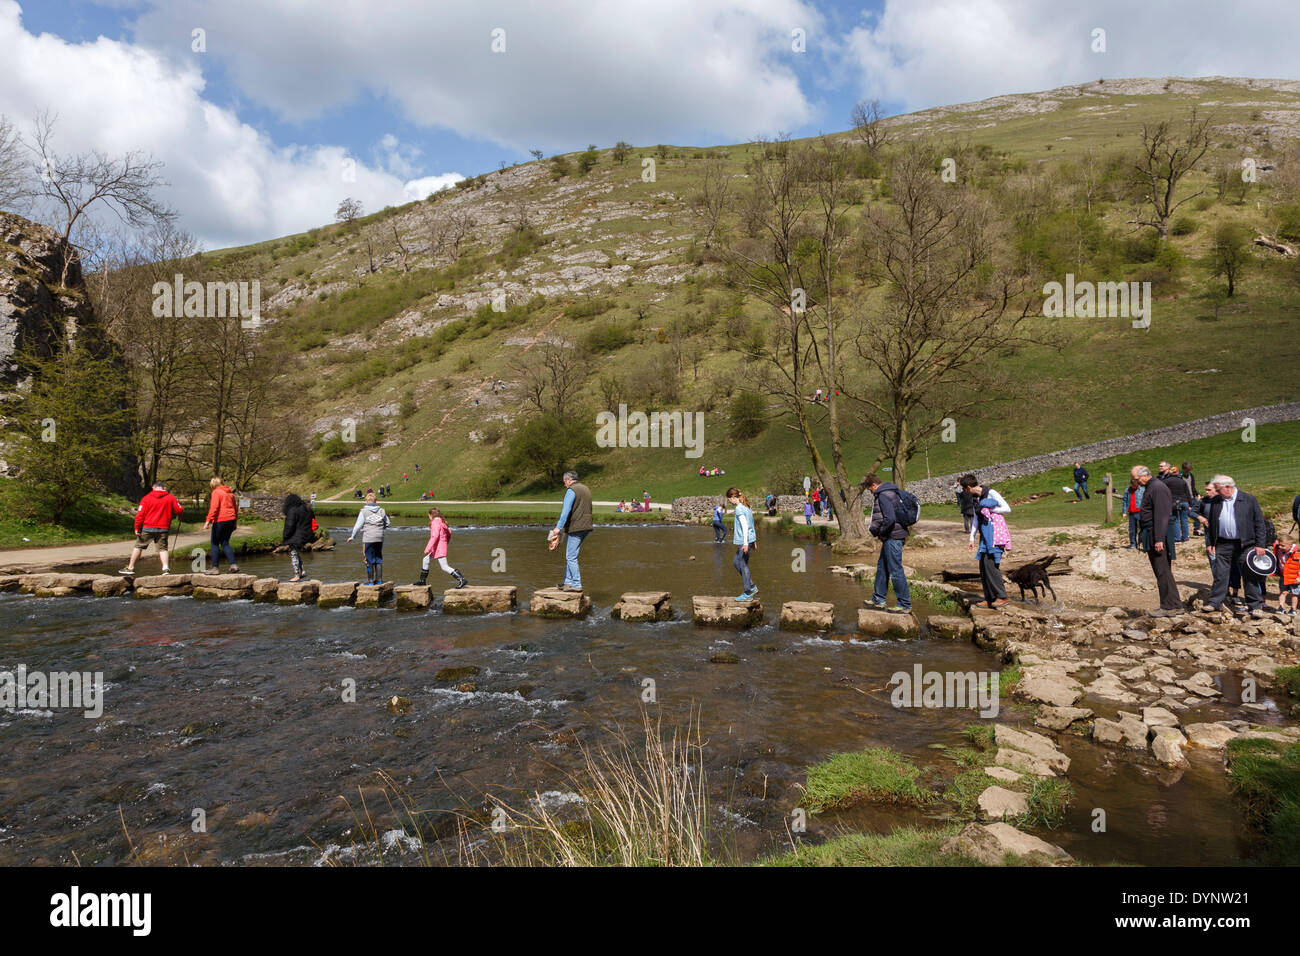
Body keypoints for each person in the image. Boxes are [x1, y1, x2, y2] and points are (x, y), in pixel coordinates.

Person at [1204, 475, 1269, 614]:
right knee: (1220, 574)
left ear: (1227, 488)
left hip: (1245, 544)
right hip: (1223, 543)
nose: (1215, 492)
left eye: (1217, 489)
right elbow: (1211, 524)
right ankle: (1215, 602)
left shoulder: (1248, 499)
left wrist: (1260, 544)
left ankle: (1255, 605)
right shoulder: (1216, 501)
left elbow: (1259, 523)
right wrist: (1210, 542)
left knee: (1249, 574)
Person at [1134, 465, 1182, 613]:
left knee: (1162, 570)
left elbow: (1161, 515)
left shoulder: (1157, 488)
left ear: (1144, 475)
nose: (1135, 482)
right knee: (1161, 570)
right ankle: (1172, 603)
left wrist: (1159, 539)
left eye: (1136, 479)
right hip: (1152, 533)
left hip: (1157, 534)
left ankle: (1170, 605)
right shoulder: (1152, 487)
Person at [961, 474, 1011, 609]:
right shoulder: (974, 498)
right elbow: (976, 519)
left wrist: (990, 509)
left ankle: (1002, 597)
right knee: (983, 566)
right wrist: (971, 538)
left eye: (965, 489)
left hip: (996, 535)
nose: (965, 492)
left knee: (991, 565)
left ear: (969, 487)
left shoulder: (991, 493)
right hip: (984, 536)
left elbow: (1007, 508)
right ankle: (989, 598)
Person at [866, 472, 911, 613]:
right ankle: (878, 599)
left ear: (874, 485)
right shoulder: (891, 492)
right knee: (882, 568)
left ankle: (904, 604)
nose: (870, 492)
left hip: (892, 537)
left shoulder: (883, 495)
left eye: (869, 489)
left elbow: (889, 518)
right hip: (893, 537)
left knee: (895, 570)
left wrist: (881, 532)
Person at [119, 481, 184, 576]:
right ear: (163, 488)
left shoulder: (146, 498)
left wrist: (137, 527)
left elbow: (140, 515)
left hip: (148, 527)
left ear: (154, 488)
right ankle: (165, 569)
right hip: (163, 528)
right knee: (163, 548)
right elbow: (179, 509)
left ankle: (130, 567)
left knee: (139, 546)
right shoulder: (171, 498)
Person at [549, 471, 593, 592]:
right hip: (586, 526)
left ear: (568, 480)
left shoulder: (571, 490)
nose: (565, 485)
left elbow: (565, 511)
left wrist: (558, 528)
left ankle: (577, 584)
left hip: (576, 526)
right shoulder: (586, 488)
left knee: (571, 556)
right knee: (571, 555)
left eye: (564, 482)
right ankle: (568, 583)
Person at [416, 508, 468, 588]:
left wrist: (428, 548)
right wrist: (445, 542)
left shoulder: (435, 522)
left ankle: (462, 579)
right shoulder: (442, 522)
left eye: (428, 516)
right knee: (425, 560)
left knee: (444, 566)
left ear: (431, 515)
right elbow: (449, 533)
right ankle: (422, 581)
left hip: (438, 547)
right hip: (439, 546)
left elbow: (435, 536)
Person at [347, 492, 391, 585]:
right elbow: (388, 523)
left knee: (368, 558)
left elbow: (357, 526)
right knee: (378, 558)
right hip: (379, 537)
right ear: (376, 501)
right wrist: (381, 529)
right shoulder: (382, 510)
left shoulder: (363, 511)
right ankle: (379, 581)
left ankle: (370, 581)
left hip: (368, 538)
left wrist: (352, 537)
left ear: (366, 501)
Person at [726, 487, 758, 601]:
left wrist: (745, 543)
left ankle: (749, 591)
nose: (729, 502)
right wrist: (753, 541)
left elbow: (745, 526)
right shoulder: (747, 507)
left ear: (733, 497)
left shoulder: (739, 508)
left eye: (729, 499)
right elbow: (751, 524)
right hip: (749, 540)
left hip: (744, 542)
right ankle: (752, 586)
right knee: (736, 562)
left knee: (742, 564)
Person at [202, 476, 240, 574]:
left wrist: (207, 521)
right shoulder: (230, 494)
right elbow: (235, 509)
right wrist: (235, 523)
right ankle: (233, 565)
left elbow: (214, 508)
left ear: (213, 484)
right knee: (225, 543)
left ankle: (215, 568)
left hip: (220, 520)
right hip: (231, 520)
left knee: (214, 543)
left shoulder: (216, 492)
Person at [281, 493, 315, 582]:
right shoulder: (308, 509)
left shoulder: (292, 510)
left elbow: (289, 525)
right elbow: (312, 520)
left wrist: (285, 536)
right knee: (296, 553)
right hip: (306, 535)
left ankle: (296, 575)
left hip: (296, 536)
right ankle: (303, 571)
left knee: (293, 554)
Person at [1159, 461, 1193, 543]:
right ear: (1178, 472)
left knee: (1176, 520)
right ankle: (1186, 537)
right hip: (1184, 501)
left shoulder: (1166, 481)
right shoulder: (1182, 481)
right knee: (1184, 520)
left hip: (1174, 502)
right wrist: (1190, 504)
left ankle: (1177, 538)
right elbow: (1188, 493)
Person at [1276, 536, 1299, 614]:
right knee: (1283, 592)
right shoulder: (1279, 550)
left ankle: (1293, 609)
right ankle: (1281, 607)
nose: (1280, 547)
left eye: (1283, 545)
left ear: (1290, 545)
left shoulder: (1297, 553)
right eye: (1279, 545)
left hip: (1294, 577)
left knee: (1294, 594)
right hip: (1284, 576)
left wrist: (1299, 578)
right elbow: (1274, 543)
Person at [1121, 477, 1144, 549]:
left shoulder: (1142, 490)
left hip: (1140, 511)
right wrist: (1124, 512)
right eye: (1133, 485)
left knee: (1143, 528)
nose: (1134, 487)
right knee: (1132, 529)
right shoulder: (1127, 491)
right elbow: (1124, 501)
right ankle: (1133, 544)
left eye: (1136, 486)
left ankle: (1142, 542)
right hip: (1131, 512)